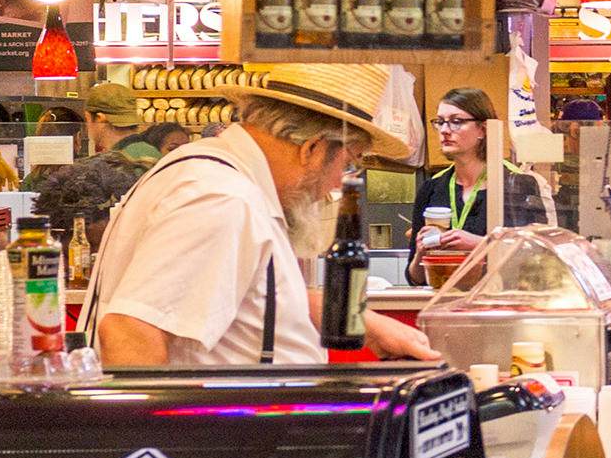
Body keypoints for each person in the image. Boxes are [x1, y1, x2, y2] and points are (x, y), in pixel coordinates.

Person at [88, 81, 446, 368]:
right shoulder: (220, 199)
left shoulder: (217, 175)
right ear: (313, 149)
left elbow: (239, 288)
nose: (339, 183)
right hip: (223, 448)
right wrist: (173, 456)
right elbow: (130, 332)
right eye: (349, 162)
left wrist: (363, 323)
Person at [413, 87, 545, 244]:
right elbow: (412, 268)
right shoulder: (432, 188)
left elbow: (535, 252)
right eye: (440, 122)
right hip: (444, 270)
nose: (444, 130)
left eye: (456, 122)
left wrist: (477, 245)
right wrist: (421, 252)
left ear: (483, 130)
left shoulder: (517, 184)